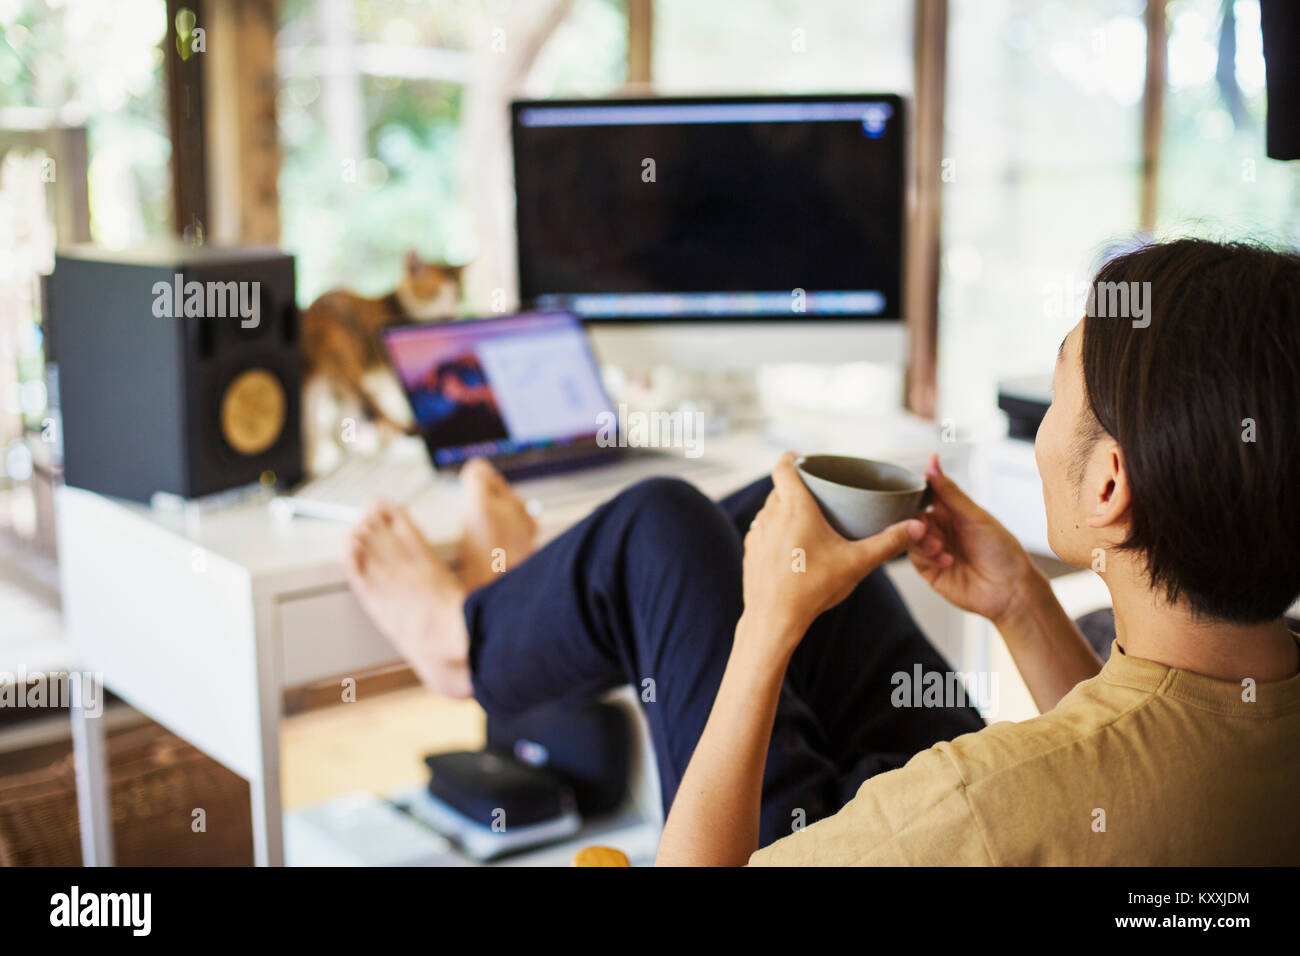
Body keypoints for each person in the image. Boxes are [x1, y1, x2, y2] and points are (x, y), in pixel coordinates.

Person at [344, 238, 1300, 865]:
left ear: (1108, 489)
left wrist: (765, 630)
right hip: (956, 824)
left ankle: (464, 644)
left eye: (1056, 399)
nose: (1043, 425)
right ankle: (509, 614)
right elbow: (1134, 762)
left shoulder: (978, 802)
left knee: (664, 527)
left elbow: (1063, 785)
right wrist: (1016, 597)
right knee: (773, 507)